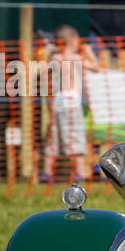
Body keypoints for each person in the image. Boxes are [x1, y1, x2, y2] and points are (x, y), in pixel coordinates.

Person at [42, 24, 100, 182]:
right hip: (72, 100)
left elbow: (45, 71)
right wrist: (88, 51)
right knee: (77, 135)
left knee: (54, 136)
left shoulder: (56, 58)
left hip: (58, 99)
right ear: (73, 41)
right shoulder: (76, 58)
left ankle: (46, 173)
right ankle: (79, 172)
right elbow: (96, 67)